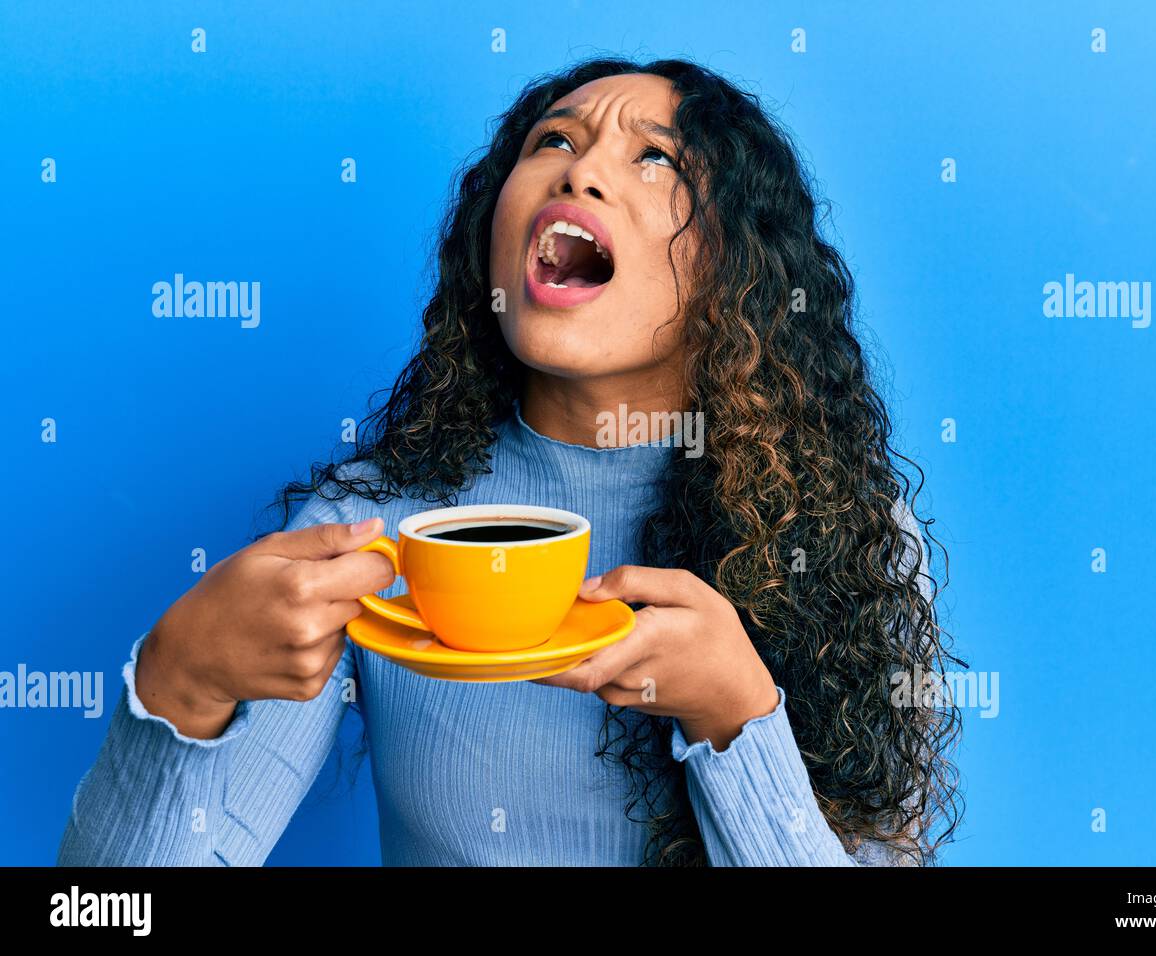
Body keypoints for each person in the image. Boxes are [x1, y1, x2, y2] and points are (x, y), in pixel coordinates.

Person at [57, 56, 962, 867]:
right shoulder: (370, 530)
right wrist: (180, 681)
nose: (580, 170)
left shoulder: (843, 532)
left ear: (737, 271)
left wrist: (736, 715)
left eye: (655, 157)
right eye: (553, 141)